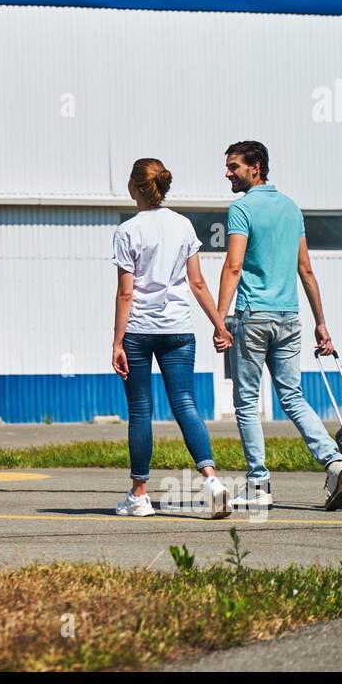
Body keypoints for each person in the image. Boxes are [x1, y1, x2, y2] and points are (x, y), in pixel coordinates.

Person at [214, 140, 342, 511]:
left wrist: (219, 319)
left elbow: (233, 265)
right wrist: (321, 322)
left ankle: (258, 485)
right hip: (290, 318)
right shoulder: (292, 209)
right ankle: (335, 461)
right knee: (292, 396)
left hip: (253, 316)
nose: (227, 173)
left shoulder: (241, 208)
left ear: (255, 167)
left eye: (234, 167)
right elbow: (305, 269)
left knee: (245, 402)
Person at [111, 158, 233, 519]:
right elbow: (197, 283)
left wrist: (117, 342)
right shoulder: (183, 225)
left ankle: (139, 495)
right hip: (178, 329)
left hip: (138, 332)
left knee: (140, 412)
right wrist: (218, 324)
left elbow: (125, 294)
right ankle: (210, 479)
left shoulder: (127, 231)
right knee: (185, 403)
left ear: (134, 187)